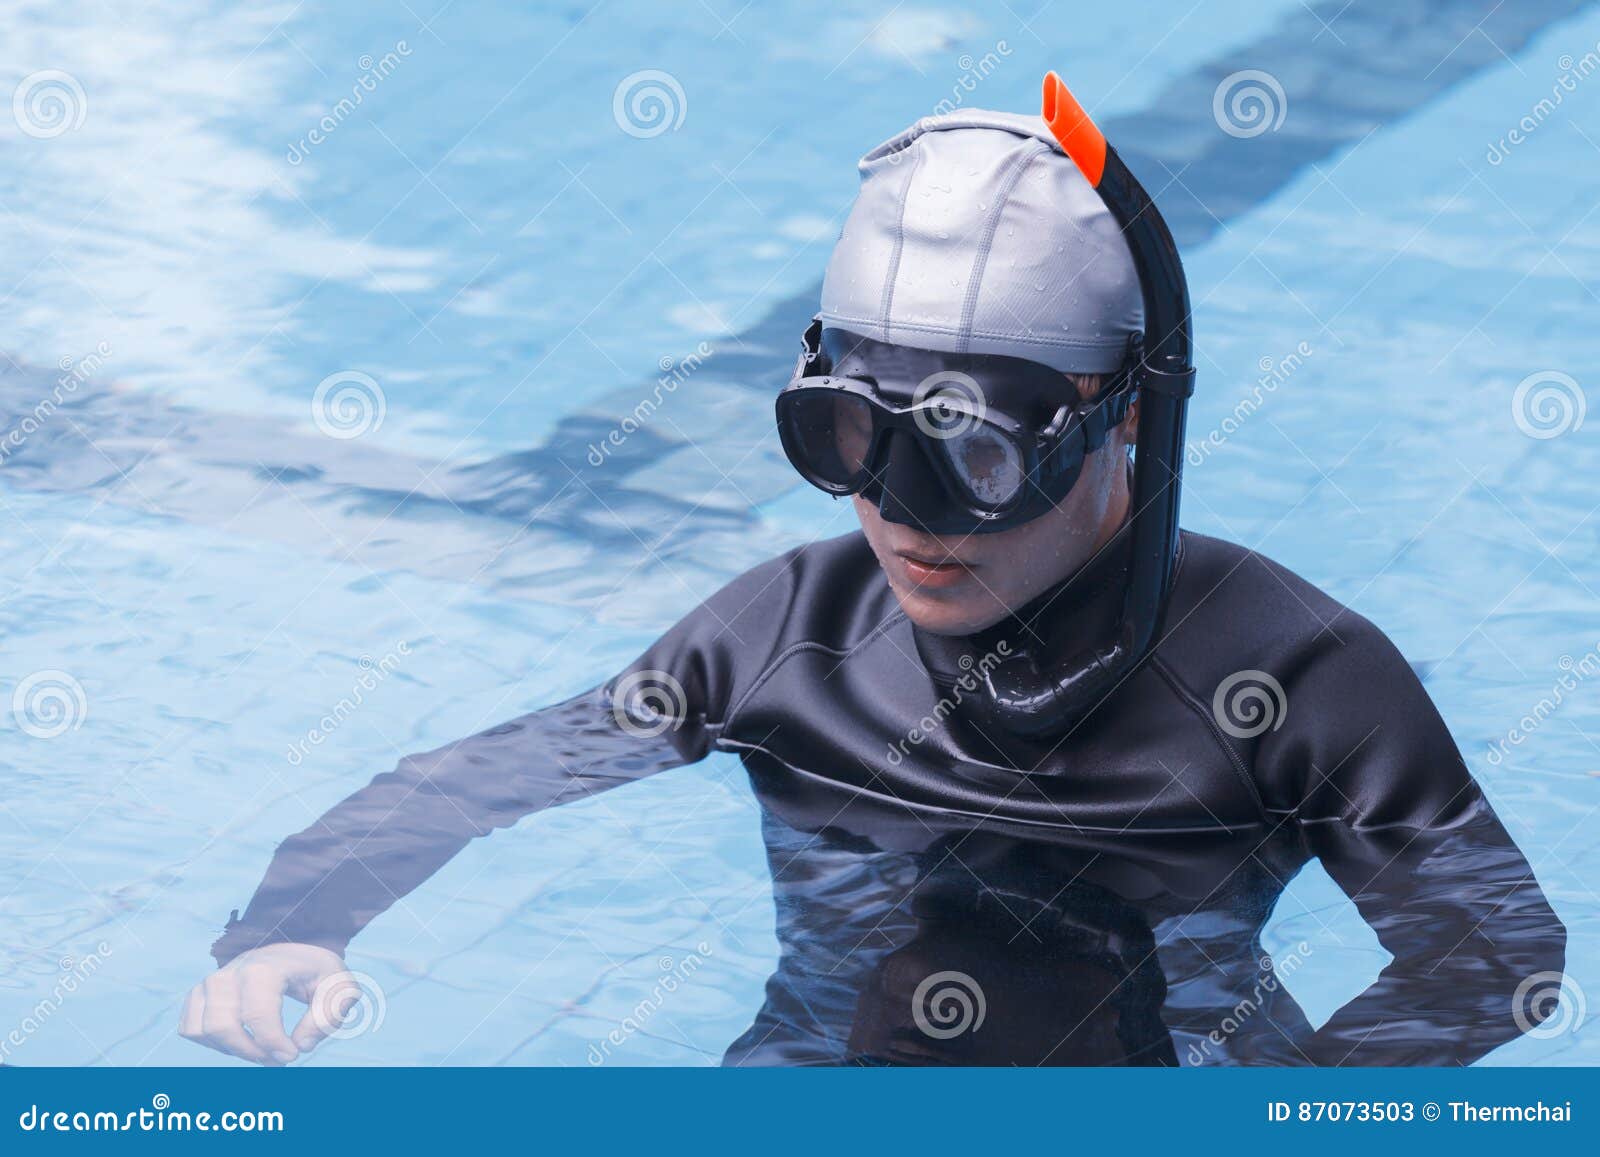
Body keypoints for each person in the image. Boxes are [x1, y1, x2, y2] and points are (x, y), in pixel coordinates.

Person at [179, 75, 1565, 1067]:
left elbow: (1497, 958)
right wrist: (290, 925)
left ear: (1125, 417)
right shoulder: (791, 633)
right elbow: (484, 776)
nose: (902, 520)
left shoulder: (1292, 672)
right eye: (851, 441)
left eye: (976, 458)